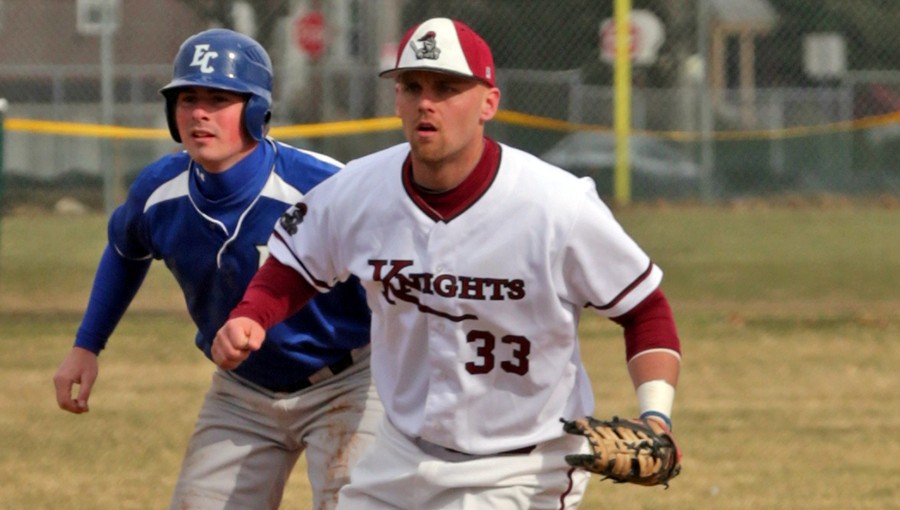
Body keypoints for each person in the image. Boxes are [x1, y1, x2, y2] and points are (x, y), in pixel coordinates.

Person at [212, 17, 682, 510]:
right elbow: (294, 262)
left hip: (519, 467)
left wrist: (657, 419)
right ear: (397, 100)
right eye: (411, 86)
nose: (426, 102)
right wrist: (251, 314)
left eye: (447, 87)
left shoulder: (556, 207)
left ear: (488, 102)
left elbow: (644, 309)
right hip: (398, 454)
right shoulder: (357, 192)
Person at [52, 28, 382, 510]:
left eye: (217, 98)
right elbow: (125, 251)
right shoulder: (161, 190)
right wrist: (87, 345)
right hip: (243, 393)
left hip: (348, 383)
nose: (199, 113)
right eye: (187, 98)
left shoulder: (320, 185)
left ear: (255, 110)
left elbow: (394, 270)